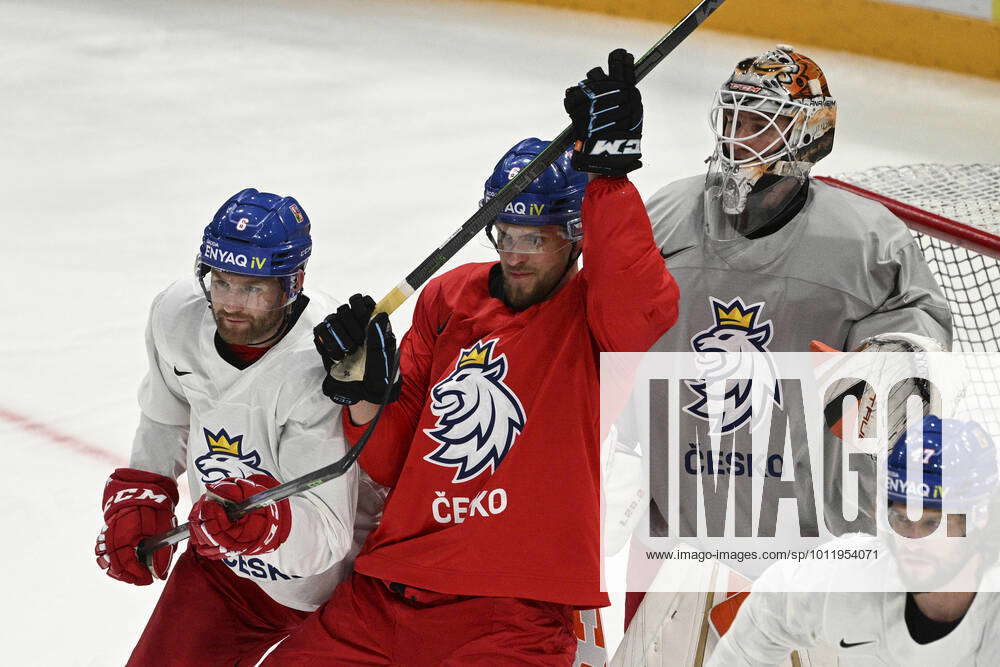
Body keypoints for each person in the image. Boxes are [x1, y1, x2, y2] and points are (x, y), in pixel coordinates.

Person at [261, 49, 679, 665]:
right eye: (503, 234)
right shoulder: (449, 296)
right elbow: (387, 461)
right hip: (386, 596)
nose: (513, 254)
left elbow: (646, 302)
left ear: (575, 238)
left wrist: (609, 177)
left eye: (533, 238)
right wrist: (363, 397)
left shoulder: (595, 318)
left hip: (511, 614)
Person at [616, 45, 953, 664]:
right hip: (683, 532)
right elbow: (605, 321)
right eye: (731, 118)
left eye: (759, 122)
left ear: (808, 136)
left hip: (803, 554)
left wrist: (885, 375)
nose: (736, 138)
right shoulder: (667, 213)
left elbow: (918, 354)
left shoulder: (865, 242)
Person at [94, 189, 383, 665]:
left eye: (252, 289)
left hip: (332, 592)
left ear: (293, 284)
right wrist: (148, 488)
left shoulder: (321, 363)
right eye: (222, 281)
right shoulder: (176, 316)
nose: (231, 304)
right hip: (224, 560)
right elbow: (165, 413)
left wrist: (265, 524)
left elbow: (328, 536)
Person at [708, 415, 1000, 666]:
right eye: (900, 519)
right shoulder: (850, 574)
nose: (911, 542)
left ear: (979, 519)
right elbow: (769, 615)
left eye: (931, 524)